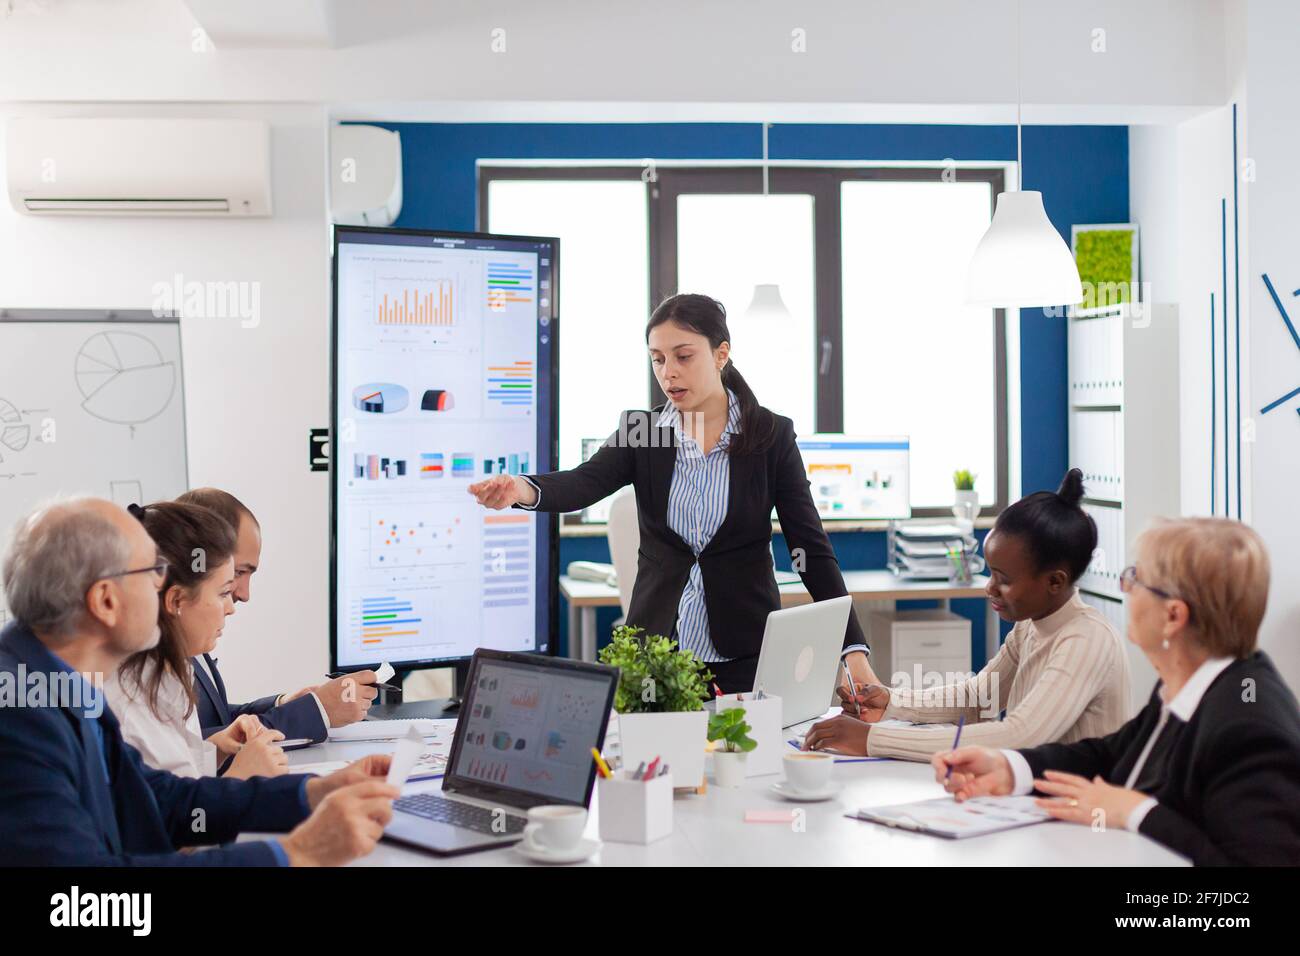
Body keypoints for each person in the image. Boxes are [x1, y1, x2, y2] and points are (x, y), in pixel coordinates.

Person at [468, 293, 878, 693]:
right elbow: (583, 482)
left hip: (747, 655)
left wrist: (853, 652)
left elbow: (809, 548)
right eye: (658, 359)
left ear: (721, 354)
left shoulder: (770, 435)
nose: (669, 373)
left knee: (744, 760)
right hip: (657, 655)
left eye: (684, 356)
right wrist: (521, 488)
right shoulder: (642, 433)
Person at [0, 497, 398, 866]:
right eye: (152, 571)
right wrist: (297, 853)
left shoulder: (62, 683)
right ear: (106, 600)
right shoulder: (18, 717)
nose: (164, 585)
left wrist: (311, 794)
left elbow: (157, 800)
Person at [934, 517, 1300, 866]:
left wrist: (1136, 811)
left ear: (1173, 616)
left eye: (1136, 579)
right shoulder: (1187, 685)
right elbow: (1111, 754)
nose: (1126, 589)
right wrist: (1011, 768)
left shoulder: (1249, 729)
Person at [804, 469, 1130, 759]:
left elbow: (1018, 735)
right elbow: (979, 699)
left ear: (1055, 581)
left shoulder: (1086, 639)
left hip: (1079, 819)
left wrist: (875, 739)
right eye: (991, 574)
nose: (990, 588)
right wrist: (891, 702)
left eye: (1004, 579)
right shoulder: (1031, 627)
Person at [175, 488, 376, 742]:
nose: (244, 594)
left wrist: (284, 704)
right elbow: (188, 746)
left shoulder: (191, 637)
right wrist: (319, 710)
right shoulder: (153, 653)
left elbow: (216, 720)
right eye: (238, 573)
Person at [104, 501, 286, 779]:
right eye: (223, 593)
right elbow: (171, 815)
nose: (231, 607)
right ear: (176, 600)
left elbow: (171, 773)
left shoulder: (168, 671)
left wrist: (213, 751)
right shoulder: (128, 701)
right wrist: (239, 776)